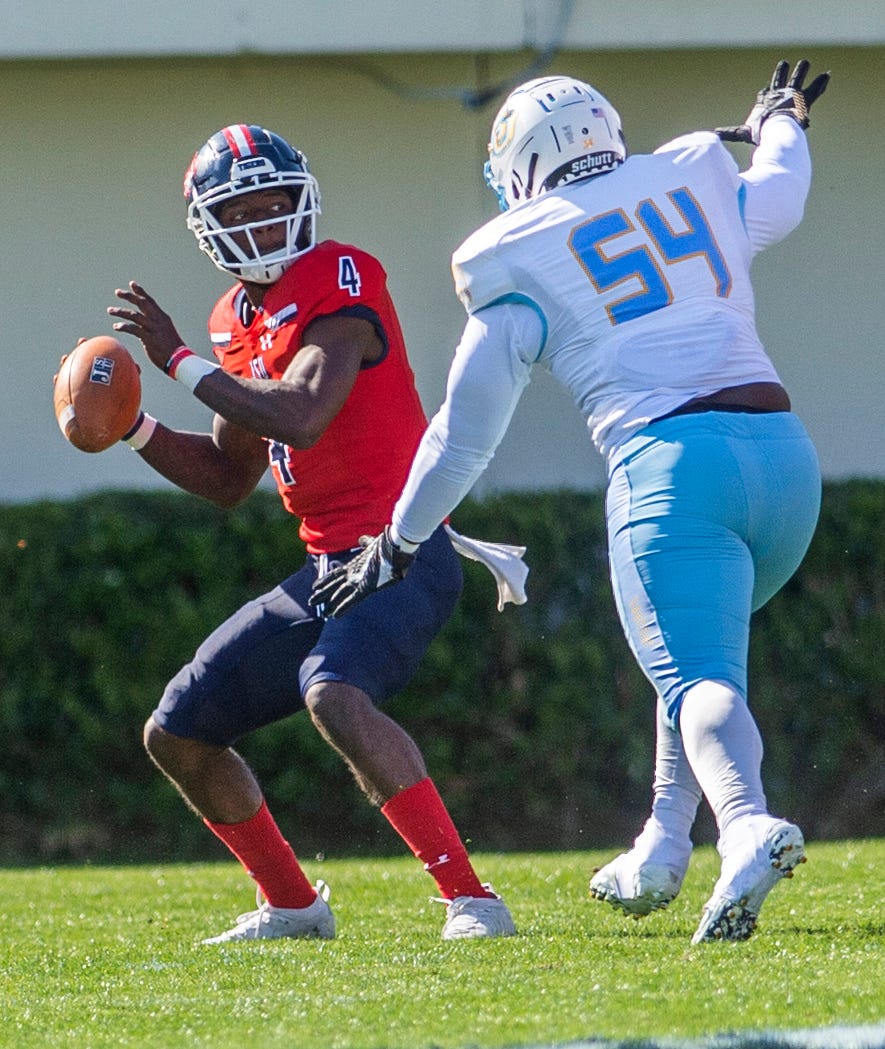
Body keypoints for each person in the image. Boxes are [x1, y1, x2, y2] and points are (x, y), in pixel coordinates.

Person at [311, 61, 831, 944]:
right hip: (785, 461)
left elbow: (461, 434)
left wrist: (397, 539)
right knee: (689, 661)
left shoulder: (512, 251)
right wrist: (780, 118)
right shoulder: (688, 176)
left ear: (518, 165)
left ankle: (745, 823)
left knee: (694, 676)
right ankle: (663, 844)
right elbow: (779, 193)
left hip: (671, 466)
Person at [105, 123, 518, 942]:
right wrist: (132, 426)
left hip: (404, 549)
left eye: (274, 203)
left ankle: (472, 899)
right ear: (207, 227)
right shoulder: (235, 317)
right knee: (177, 729)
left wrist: (181, 361)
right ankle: (293, 906)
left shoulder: (343, 274)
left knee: (332, 691)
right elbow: (230, 477)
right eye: (242, 209)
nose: (262, 223)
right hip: (330, 564)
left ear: (305, 202)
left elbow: (300, 413)